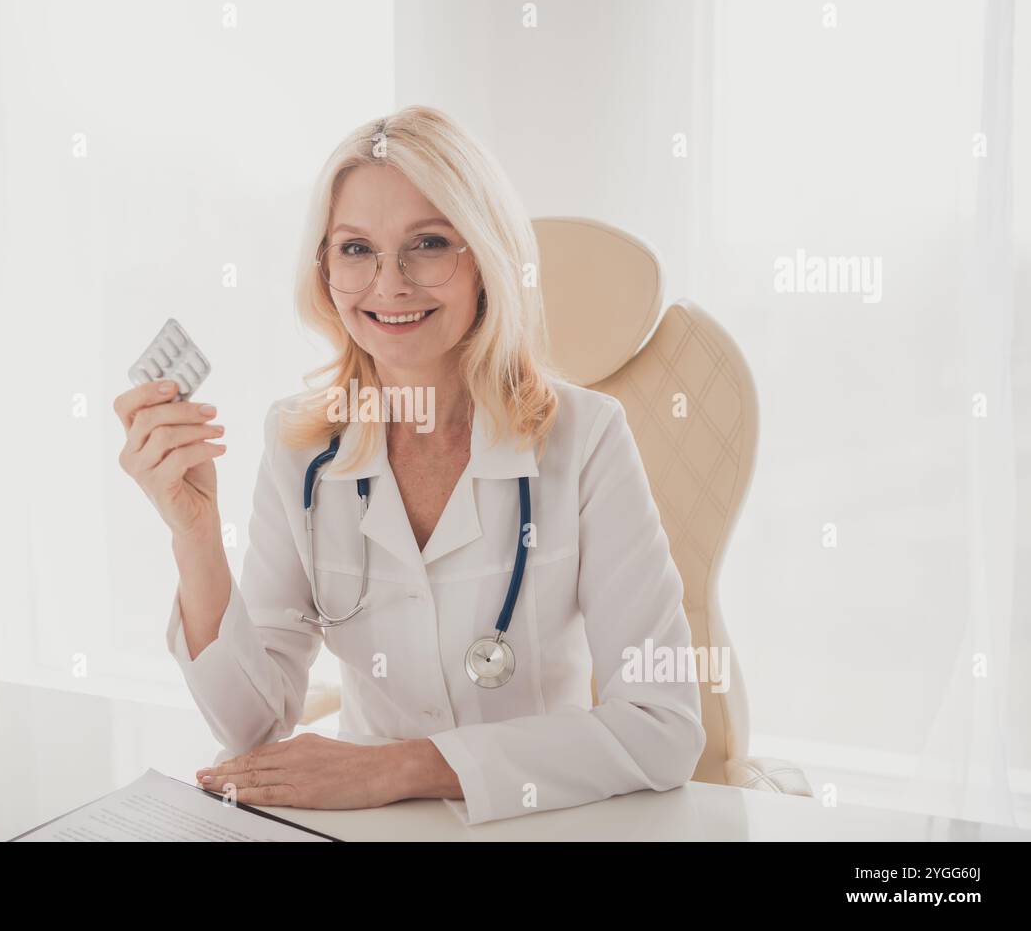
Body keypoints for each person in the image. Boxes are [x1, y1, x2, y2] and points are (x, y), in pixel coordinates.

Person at [114, 105, 705, 825]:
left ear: (486, 260)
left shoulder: (586, 438)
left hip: (540, 819)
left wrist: (397, 767)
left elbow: (664, 725)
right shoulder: (299, 445)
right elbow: (251, 727)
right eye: (355, 249)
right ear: (324, 269)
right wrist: (195, 536)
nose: (389, 284)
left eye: (428, 243)